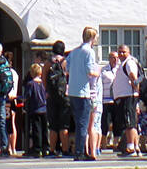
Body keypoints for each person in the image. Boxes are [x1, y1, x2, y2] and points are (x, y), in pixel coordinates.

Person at [66, 27, 101, 161]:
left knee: (78, 122)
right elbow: (90, 70)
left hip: (73, 91)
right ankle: (80, 152)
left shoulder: (74, 51)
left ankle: (81, 150)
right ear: (92, 37)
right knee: (83, 124)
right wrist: (98, 73)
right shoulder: (89, 52)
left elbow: (66, 67)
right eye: (96, 37)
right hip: (83, 92)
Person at [112, 43, 141, 157]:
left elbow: (133, 77)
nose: (121, 54)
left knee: (129, 123)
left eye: (124, 52)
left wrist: (136, 91)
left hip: (128, 96)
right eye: (119, 52)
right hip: (125, 96)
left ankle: (131, 148)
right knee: (131, 123)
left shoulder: (129, 63)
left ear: (128, 52)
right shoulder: (123, 63)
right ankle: (134, 147)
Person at [46, 40, 71, 157]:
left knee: (53, 125)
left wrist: (48, 91)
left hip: (51, 96)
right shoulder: (65, 62)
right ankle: (65, 150)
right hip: (64, 95)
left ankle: (52, 150)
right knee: (64, 124)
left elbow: (43, 78)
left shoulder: (48, 62)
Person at [25, 62, 48, 157]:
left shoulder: (30, 84)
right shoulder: (43, 83)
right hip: (44, 108)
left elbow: (28, 96)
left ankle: (37, 148)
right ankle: (45, 147)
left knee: (36, 129)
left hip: (35, 109)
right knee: (44, 129)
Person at [101, 50, 119, 150]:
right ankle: (103, 144)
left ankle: (116, 145)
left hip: (117, 100)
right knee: (105, 124)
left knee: (117, 123)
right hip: (106, 100)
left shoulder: (120, 70)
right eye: (113, 57)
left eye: (116, 57)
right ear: (109, 59)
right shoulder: (104, 71)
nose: (115, 59)